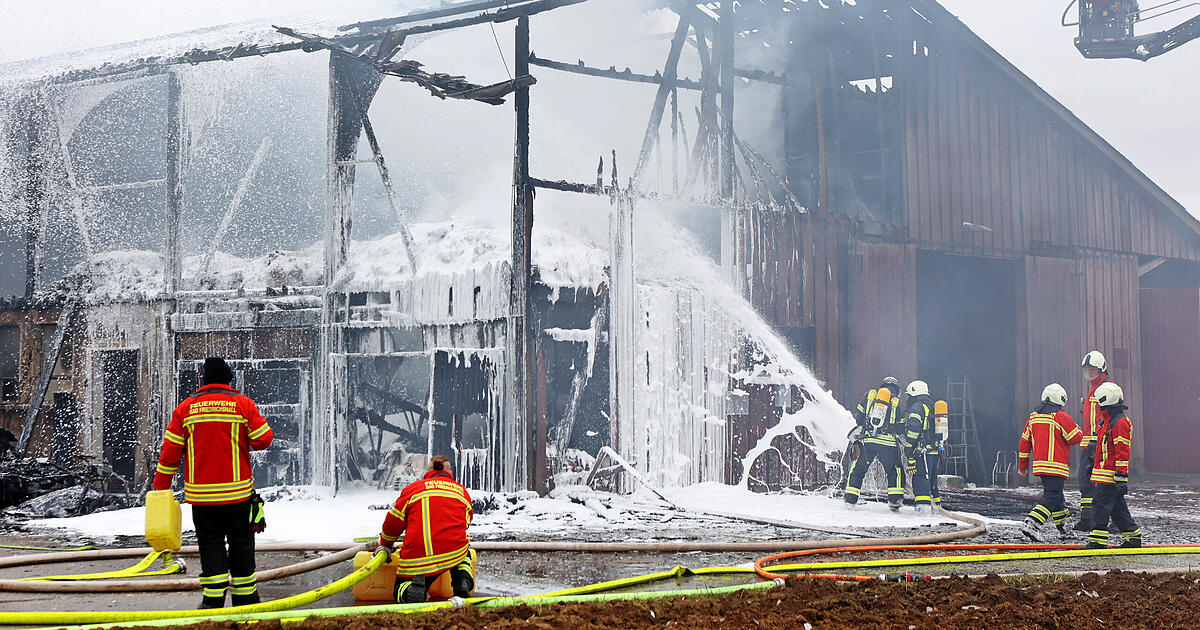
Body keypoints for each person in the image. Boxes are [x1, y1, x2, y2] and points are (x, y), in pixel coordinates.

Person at [153, 357, 273, 609]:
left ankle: (213, 602)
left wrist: (160, 488)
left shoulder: (185, 409)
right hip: (238, 496)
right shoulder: (242, 404)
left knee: (210, 544)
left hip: (203, 499)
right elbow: (263, 440)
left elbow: (169, 454)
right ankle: (246, 601)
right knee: (241, 543)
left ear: (202, 380)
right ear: (230, 380)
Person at [378, 455, 476, 603]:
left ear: (428, 471)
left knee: (399, 588)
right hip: (452, 552)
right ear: (449, 471)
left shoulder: (413, 489)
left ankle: (409, 591)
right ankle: (462, 581)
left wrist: (385, 545)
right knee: (464, 552)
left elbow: (393, 523)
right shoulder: (461, 491)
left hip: (418, 556)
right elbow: (466, 522)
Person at [1017, 383, 1083, 541]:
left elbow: (1024, 443)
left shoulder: (1033, 417)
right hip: (1056, 466)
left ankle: (1065, 530)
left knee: (1058, 497)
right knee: (1052, 496)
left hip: (1040, 467)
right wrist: (1079, 428)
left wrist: (1023, 465)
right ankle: (1033, 524)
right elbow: (1075, 437)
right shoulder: (1061, 416)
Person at [1083, 382, 1141, 549]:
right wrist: (1092, 464)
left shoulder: (1119, 423)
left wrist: (1121, 477)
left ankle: (1097, 541)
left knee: (1099, 506)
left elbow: (1122, 452)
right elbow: (1104, 449)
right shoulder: (1108, 421)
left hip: (1109, 476)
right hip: (1103, 473)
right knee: (1117, 509)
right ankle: (1133, 538)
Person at [843, 377, 904, 511]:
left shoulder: (869, 395)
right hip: (888, 444)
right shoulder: (896, 402)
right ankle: (894, 502)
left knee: (858, 470)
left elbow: (859, 418)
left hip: (868, 440)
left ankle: (850, 500)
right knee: (895, 471)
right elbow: (900, 427)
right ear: (896, 389)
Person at [1075, 350, 1109, 531]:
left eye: (1093, 370)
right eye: (1087, 370)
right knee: (1085, 483)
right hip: (1089, 444)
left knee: (1100, 483)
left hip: (1098, 444)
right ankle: (1087, 520)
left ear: (1101, 369)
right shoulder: (1093, 391)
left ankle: (1098, 520)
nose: (1089, 373)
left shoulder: (1106, 389)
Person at [901, 380, 937, 513]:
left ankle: (923, 509)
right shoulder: (931, 406)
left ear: (914, 394)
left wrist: (908, 445)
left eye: (909, 396)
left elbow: (914, 429)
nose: (908, 399)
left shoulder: (917, 408)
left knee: (921, 477)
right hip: (933, 450)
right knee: (932, 479)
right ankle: (936, 507)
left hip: (922, 450)